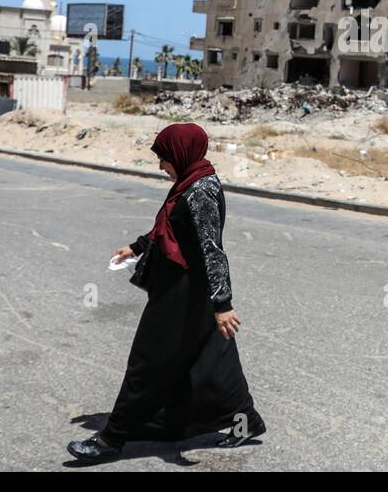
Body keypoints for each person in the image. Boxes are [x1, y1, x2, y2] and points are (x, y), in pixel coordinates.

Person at [68, 122, 265, 462]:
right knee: (211, 360)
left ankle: (112, 439)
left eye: (164, 158)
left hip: (185, 293)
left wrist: (222, 305)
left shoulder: (200, 190)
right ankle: (243, 422)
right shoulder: (191, 182)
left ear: (181, 153)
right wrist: (138, 246)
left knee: (148, 362)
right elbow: (172, 229)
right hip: (188, 288)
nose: (161, 166)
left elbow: (211, 249)